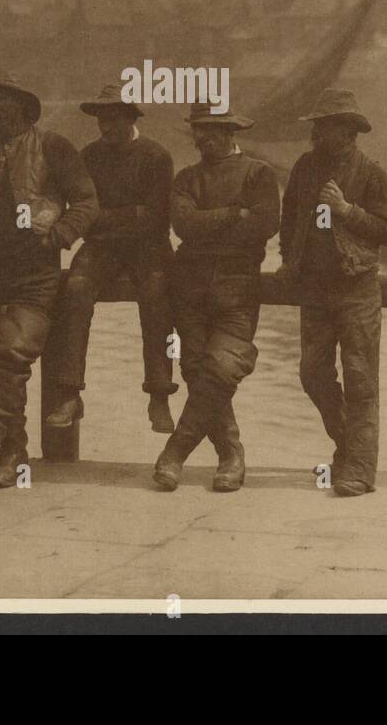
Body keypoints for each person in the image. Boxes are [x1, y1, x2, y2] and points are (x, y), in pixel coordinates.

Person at [0, 71, 98, 492]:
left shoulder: (53, 147)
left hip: (35, 277)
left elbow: (86, 201)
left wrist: (60, 234)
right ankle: (13, 453)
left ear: (23, 108)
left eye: (1, 101)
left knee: (10, 354)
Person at [153, 103, 280, 493]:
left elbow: (265, 224)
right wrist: (232, 215)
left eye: (211, 129)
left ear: (230, 132)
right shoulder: (187, 177)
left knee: (223, 368)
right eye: (198, 129)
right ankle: (231, 455)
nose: (202, 137)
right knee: (195, 370)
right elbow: (183, 225)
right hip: (189, 288)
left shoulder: (259, 174)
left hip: (237, 288)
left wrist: (214, 224)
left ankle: (174, 452)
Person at [42, 83, 178, 434]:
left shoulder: (157, 156)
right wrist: (122, 215)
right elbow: (81, 209)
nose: (106, 127)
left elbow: (155, 217)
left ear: (131, 118)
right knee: (74, 289)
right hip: (102, 246)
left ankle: (159, 394)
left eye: (114, 119)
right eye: (102, 119)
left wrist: (103, 217)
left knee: (157, 295)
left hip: (148, 247)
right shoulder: (88, 156)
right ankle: (71, 393)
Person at [279, 89, 387, 497]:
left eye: (325, 126)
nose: (317, 132)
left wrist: (346, 210)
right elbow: (289, 216)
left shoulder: (372, 173)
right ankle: (349, 448)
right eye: (316, 125)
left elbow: (386, 231)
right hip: (314, 288)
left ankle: (359, 471)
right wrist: (288, 259)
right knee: (312, 374)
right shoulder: (304, 168)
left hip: (357, 289)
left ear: (347, 131)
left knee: (361, 380)